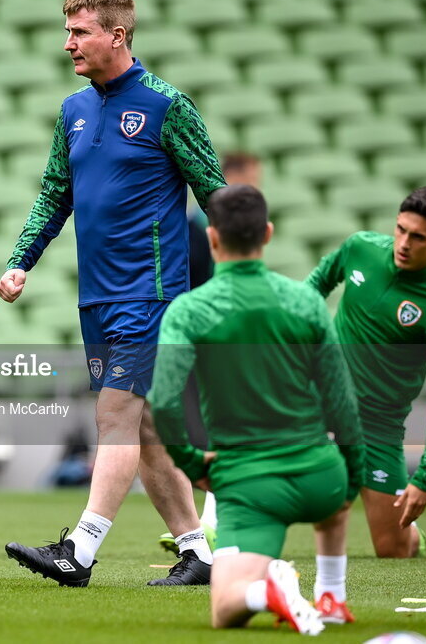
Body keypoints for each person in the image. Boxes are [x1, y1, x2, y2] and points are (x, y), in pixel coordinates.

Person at [0, 0, 225, 587]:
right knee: (145, 431)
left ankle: (80, 549)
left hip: (150, 295)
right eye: (67, 31)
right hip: (96, 298)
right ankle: (198, 552)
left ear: (117, 35)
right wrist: (23, 260)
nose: (67, 43)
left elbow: (216, 193)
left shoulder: (166, 105)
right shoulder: (72, 110)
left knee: (116, 416)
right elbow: (55, 193)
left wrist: (233, 283)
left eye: (80, 32)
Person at [150, 185, 365, 634]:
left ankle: (266, 592)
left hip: (249, 487)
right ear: (267, 234)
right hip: (320, 477)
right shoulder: (305, 301)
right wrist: (351, 476)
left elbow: (165, 404)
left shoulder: (190, 310)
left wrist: (194, 464)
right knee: (334, 509)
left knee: (226, 607)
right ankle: (331, 595)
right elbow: (341, 402)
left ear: (212, 238)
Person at [306, 186, 426, 558]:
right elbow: (315, 286)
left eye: (418, 236)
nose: (404, 243)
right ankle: (213, 532)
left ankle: (412, 537)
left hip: (377, 425)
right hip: (319, 396)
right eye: (400, 229)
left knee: (393, 549)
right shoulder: (360, 247)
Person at [160, 151, 264, 555]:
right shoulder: (199, 229)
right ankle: (206, 523)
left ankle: (211, 522)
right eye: (250, 181)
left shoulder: (217, 229)